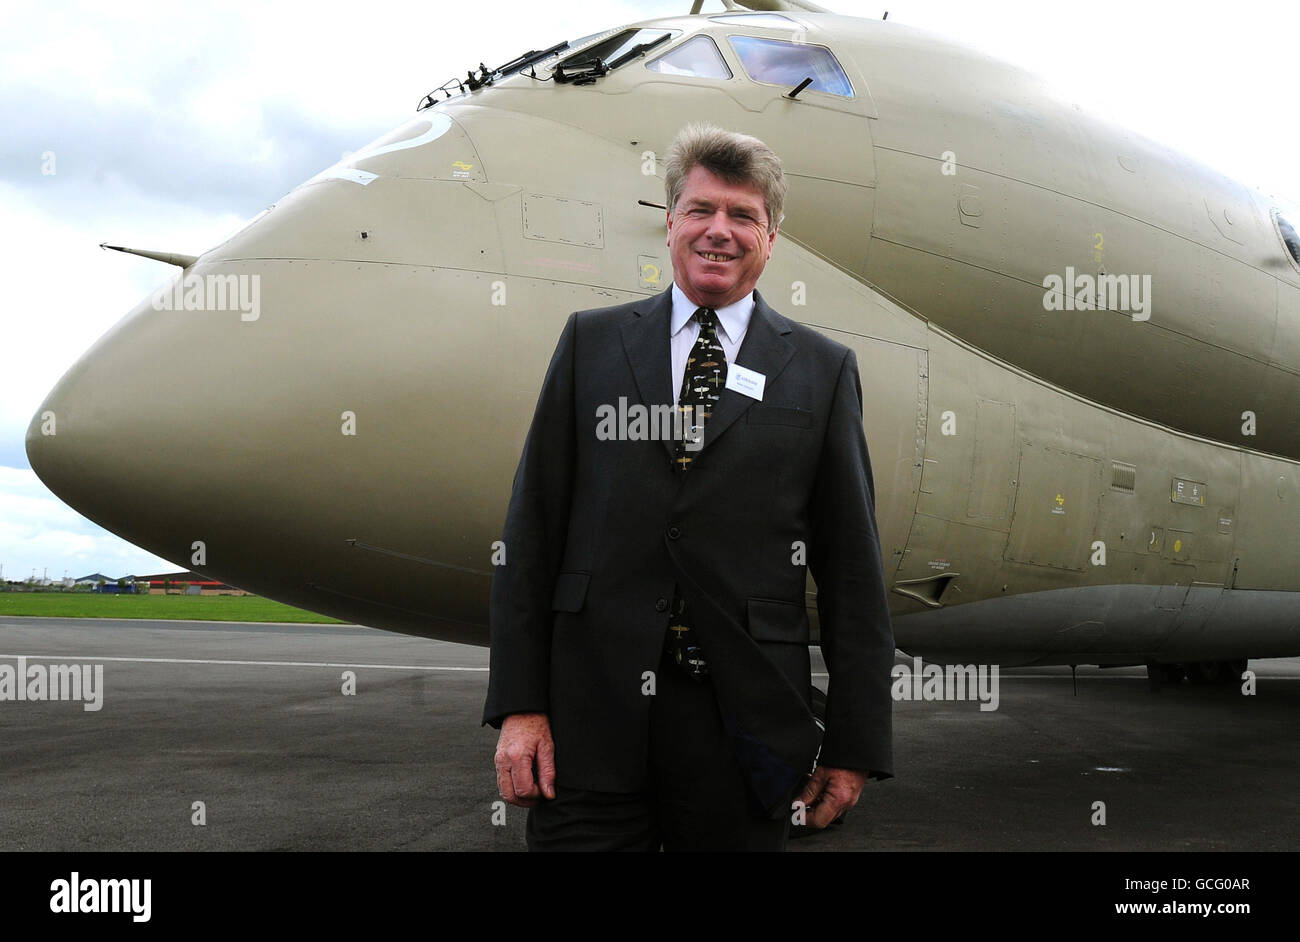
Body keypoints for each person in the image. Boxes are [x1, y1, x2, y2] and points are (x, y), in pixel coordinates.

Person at [483, 123, 894, 851]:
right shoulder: (590, 344)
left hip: (744, 733)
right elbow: (531, 532)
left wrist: (854, 743)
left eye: (743, 216)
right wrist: (520, 706)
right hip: (590, 725)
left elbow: (852, 571)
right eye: (701, 209)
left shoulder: (822, 371)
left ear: (771, 239)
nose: (719, 230)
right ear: (670, 222)